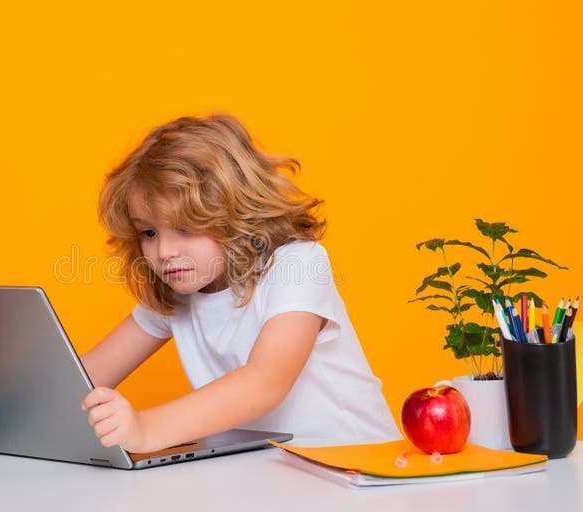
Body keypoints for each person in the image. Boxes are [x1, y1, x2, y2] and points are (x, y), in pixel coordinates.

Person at [80, 114, 400, 453]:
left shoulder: (297, 263)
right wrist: (25, 399)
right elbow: (84, 378)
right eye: (149, 232)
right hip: (259, 474)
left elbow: (266, 381)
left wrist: (146, 428)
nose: (164, 252)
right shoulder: (177, 289)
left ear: (235, 214)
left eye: (185, 227)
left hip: (352, 466)